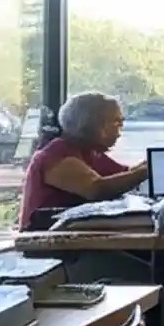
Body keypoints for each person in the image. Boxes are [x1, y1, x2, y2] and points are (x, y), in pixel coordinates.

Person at [18, 92, 147, 229]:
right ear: (92, 124)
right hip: (46, 241)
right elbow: (96, 189)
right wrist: (146, 172)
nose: (120, 130)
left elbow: (126, 175)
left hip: (73, 235)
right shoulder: (56, 154)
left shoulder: (90, 152)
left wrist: (154, 164)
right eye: (116, 122)